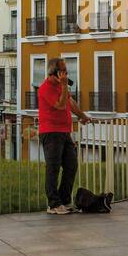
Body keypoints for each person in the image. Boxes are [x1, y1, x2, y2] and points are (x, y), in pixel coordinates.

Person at [37, 58, 90, 215]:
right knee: (53, 168)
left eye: (66, 71)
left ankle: (64, 200)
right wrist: (65, 84)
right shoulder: (45, 88)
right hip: (51, 132)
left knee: (71, 165)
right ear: (55, 73)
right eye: (64, 71)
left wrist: (82, 116)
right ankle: (53, 204)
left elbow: (70, 102)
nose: (66, 74)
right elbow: (60, 105)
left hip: (64, 132)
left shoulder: (61, 86)